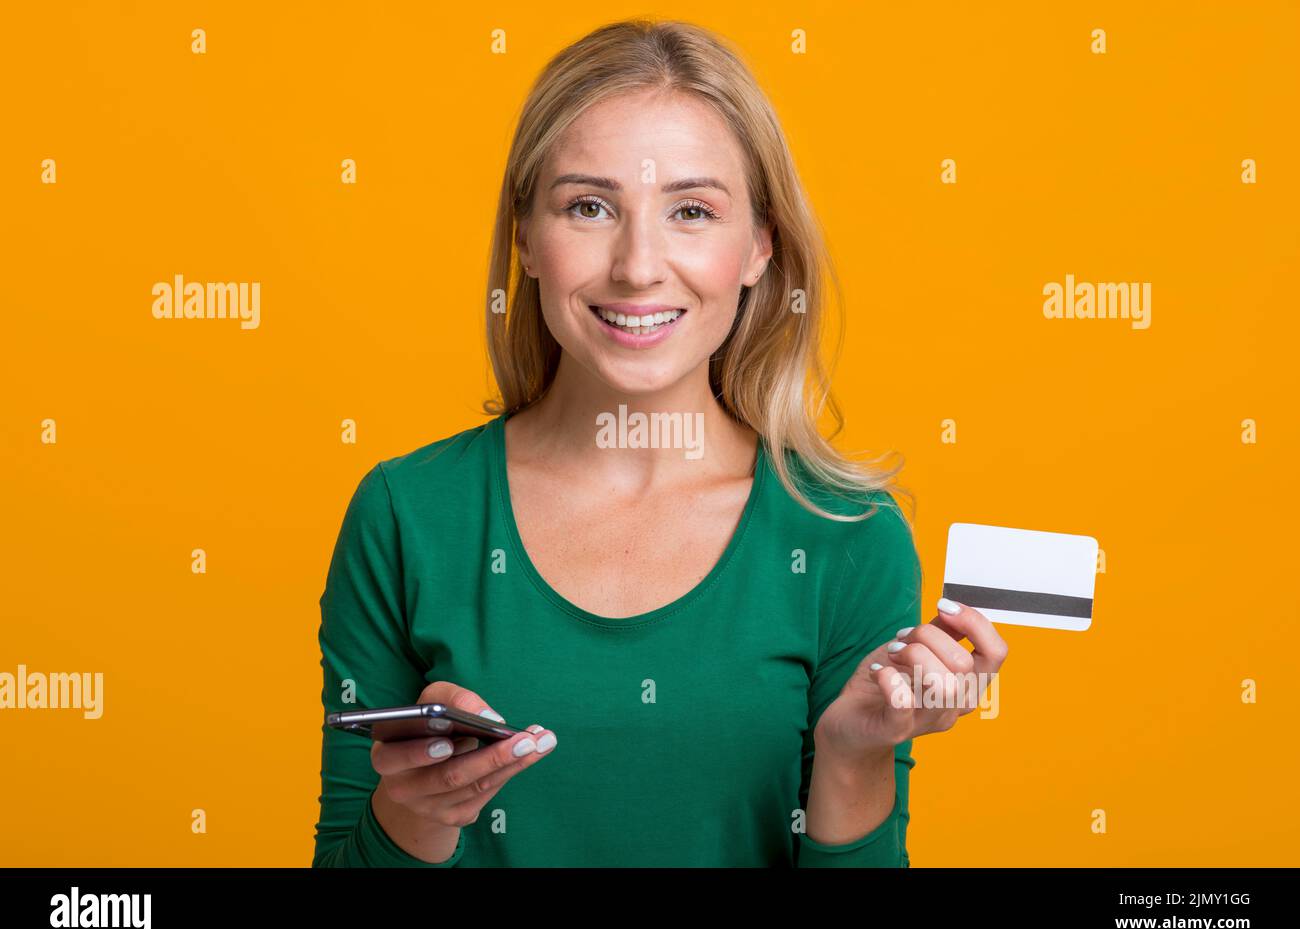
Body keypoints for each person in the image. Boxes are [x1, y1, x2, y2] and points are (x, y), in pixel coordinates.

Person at [312, 17, 1007, 868]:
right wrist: (415, 814)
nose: (638, 266)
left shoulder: (846, 536)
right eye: (589, 206)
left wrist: (853, 755)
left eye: (691, 210)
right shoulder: (406, 516)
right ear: (527, 238)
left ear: (758, 246)